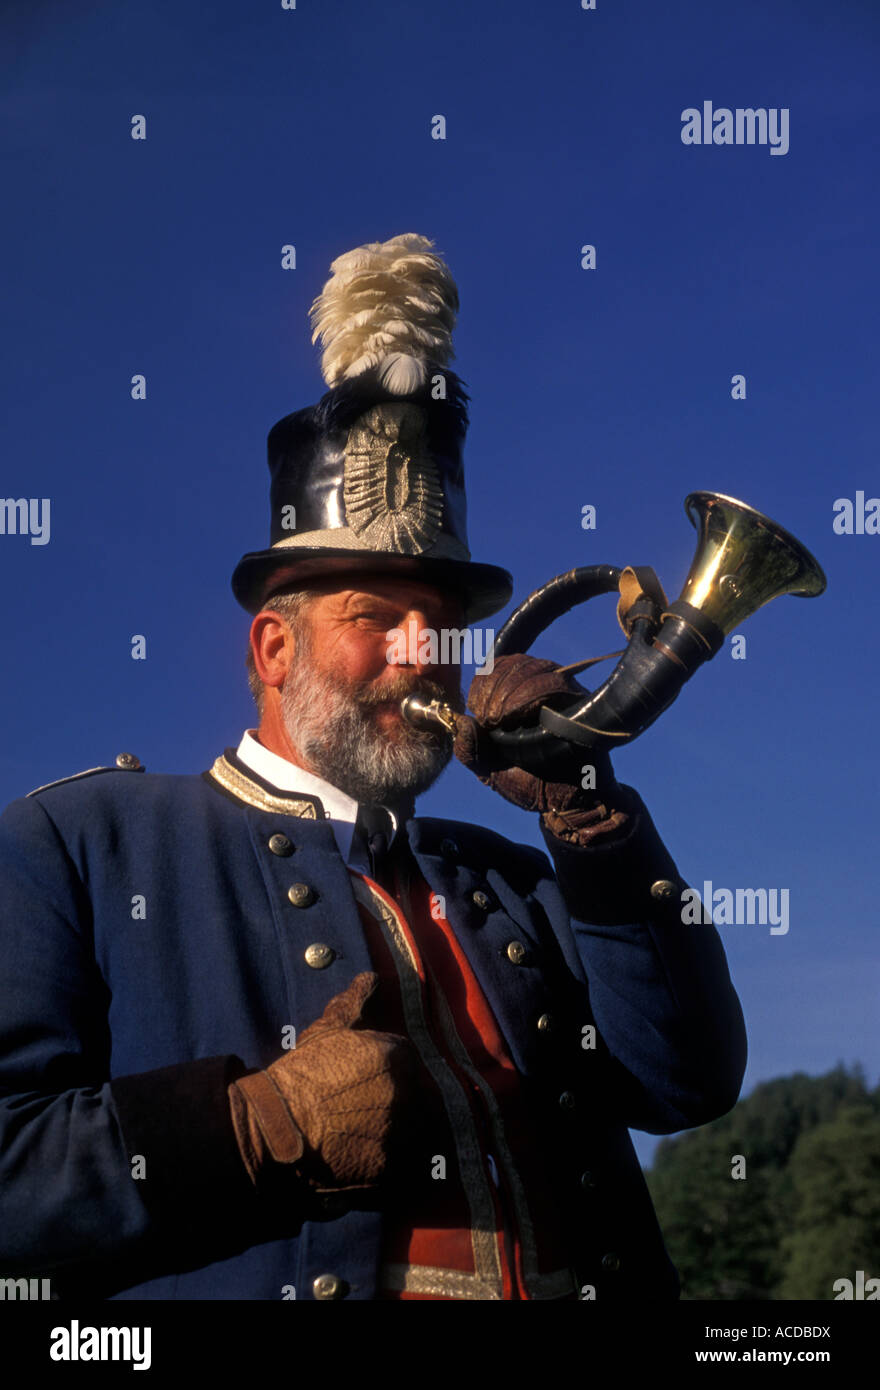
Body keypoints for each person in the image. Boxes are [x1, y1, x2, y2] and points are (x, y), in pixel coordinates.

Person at [0, 234, 746, 1301]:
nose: (418, 651)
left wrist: (589, 818)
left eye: (437, 624)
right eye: (375, 616)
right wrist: (257, 1126)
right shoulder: (77, 844)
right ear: (272, 649)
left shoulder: (513, 872)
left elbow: (686, 1082)